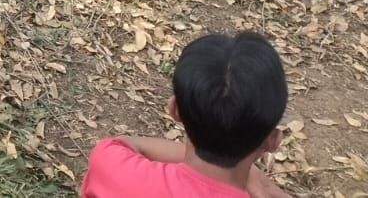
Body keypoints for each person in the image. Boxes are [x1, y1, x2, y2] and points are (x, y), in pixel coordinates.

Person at [81, 30, 290, 198]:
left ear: (174, 110)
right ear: (273, 141)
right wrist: (245, 171)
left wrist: (247, 171)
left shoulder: (110, 166)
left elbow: (126, 144)